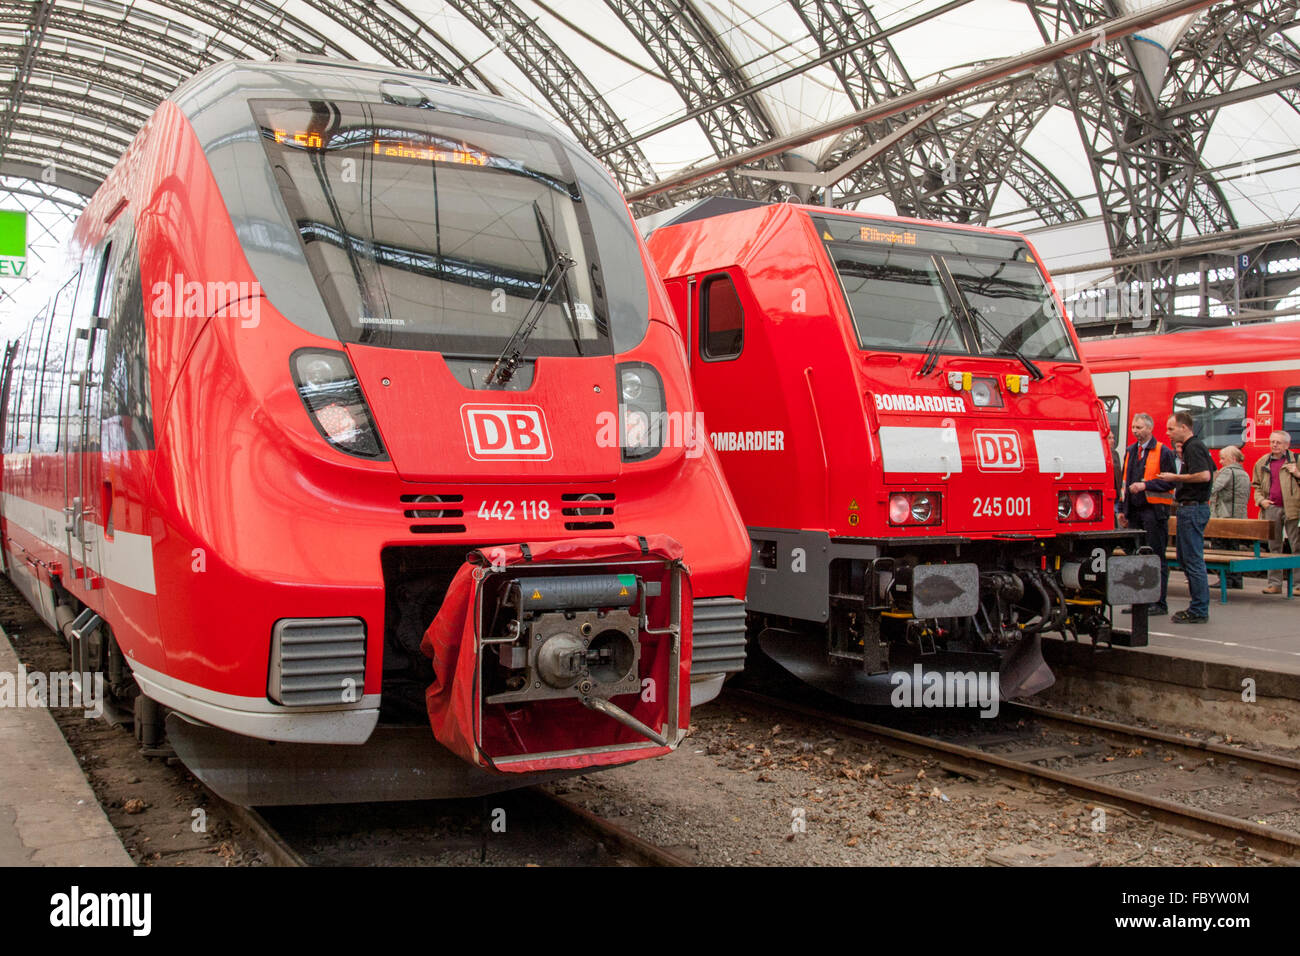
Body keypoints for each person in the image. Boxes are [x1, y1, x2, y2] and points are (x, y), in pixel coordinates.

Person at [1117, 413, 1177, 614]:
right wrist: (1122, 510)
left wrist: (1145, 485)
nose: (1136, 431)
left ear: (1150, 429)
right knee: (1135, 556)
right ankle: (1138, 602)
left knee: (1155, 556)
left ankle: (1159, 602)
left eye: (1140, 427)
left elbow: (1171, 481)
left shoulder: (1163, 451)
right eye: (1134, 427)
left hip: (1154, 512)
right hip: (1134, 511)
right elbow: (1125, 482)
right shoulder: (1130, 451)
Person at [1159, 411, 1215, 623]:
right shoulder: (1194, 448)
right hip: (1192, 508)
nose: (1168, 433)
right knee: (1185, 558)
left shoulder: (1193, 446)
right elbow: (1212, 470)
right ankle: (1198, 606)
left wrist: (1176, 477)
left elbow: (1205, 475)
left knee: (1192, 559)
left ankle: (1199, 609)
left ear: (1184, 428)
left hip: (1192, 509)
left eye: (1171, 429)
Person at [1250, 430, 1300, 595]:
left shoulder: (1297, 460)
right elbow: (1256, 486)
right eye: (1272, 442)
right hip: (1272, 508)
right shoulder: (1262, 462)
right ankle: (1275, 584)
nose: (1274, 445)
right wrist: (1261, 501)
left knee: (1297, 546)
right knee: (1274, 547)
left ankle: (1298, 585)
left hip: (1294, 509)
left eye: (1278, 442)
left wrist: (1298, 473)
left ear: (1287, 445)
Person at [1208, 445, 1249, 589]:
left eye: (1222, 458)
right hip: (1238, 518)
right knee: (1233, 548)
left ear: (1232, 459)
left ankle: (1224, 579)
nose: (1220, 462)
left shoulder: (1227, 472)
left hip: (1223, 517)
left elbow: (1212, 489)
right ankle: (1236, 580)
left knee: (1219, 548)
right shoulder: (1244, 473)